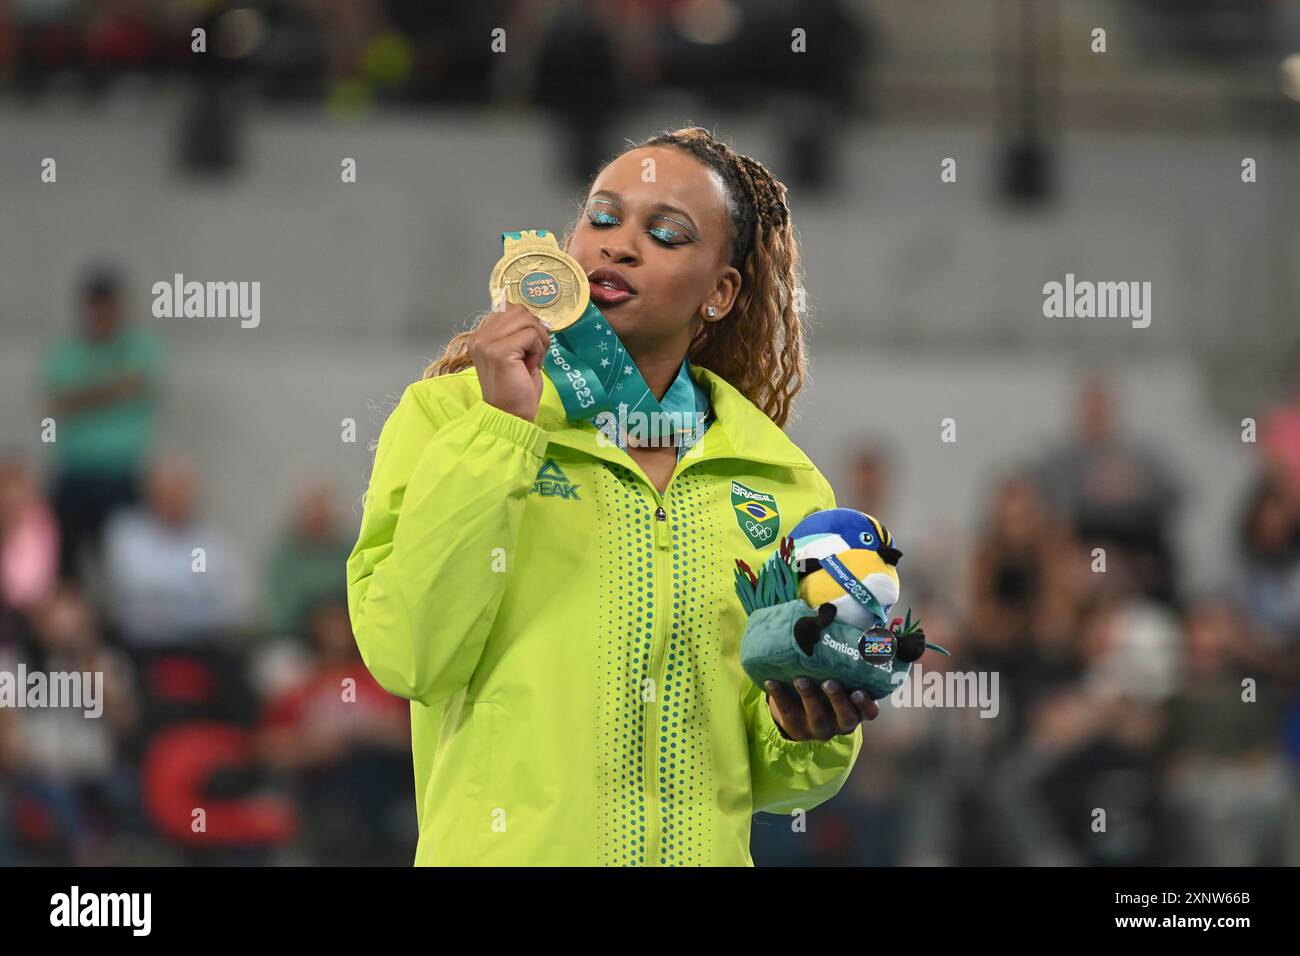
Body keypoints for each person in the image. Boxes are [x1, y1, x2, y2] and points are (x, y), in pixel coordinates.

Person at [348, 127, 873, 866]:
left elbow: (781, 781)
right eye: (601, 217)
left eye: (665, 234)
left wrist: (807, 725)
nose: (618, 246)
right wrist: (504, 434)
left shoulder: (778, 482)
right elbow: (410, 656)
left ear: (720, 294)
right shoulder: (449, 420)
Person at [41, 266, 165, 580]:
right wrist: (113, 388)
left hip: (124, 474)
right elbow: (58, 403)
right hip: (75, 473)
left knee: (126, 562)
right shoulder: (67, 352)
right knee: (64, 560)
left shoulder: (140, 347)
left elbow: (141, 383)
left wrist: (83, 395)